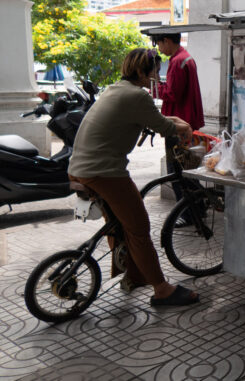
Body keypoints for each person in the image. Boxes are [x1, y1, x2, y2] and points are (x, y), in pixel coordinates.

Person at [68, 48, 199, 306]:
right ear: (141, 71)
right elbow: (162, 126)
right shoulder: (136, 96)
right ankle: (161, 289)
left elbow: (157, 118)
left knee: (119, 225)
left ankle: (133, 274)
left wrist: (179, 122)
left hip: (79, 168)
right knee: (139, 228)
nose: (156, 77)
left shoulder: (116, 90)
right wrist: (181, 128)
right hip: (104, 172)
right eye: (154, 72)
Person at [151, 33, 204, 211]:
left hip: (179, 124)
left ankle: (189, 213)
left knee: (178, 172)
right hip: (187, 120)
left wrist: (151, 85)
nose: (159, 48)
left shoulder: (177, 61)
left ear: (166, 41)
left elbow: (172, 94)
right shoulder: (185, 58)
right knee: (187, 169)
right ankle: (200, 207)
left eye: (158, 43)